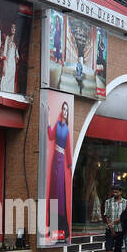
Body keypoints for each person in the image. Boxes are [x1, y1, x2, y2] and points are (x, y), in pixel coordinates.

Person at [46, 100, 72, 240]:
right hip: (55, 160)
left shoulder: (67, 129)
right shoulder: (57, 125)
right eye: (63, 109)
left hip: (61, 162)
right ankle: (52, 227)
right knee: (53, 192)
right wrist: (48, 117)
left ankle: (62, 228)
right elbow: (50, 136)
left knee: (60, 194)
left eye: (67, 109)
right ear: (61, 111)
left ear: (68, 113)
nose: (65, 111)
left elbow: (68, 148)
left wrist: (70, 164)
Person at [102, 183, 127, 252]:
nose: (114, 194)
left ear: (120, 192)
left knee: (118, 250)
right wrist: (111, 228)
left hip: (121, 230)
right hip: (110, 230)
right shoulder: (108, 202)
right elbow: (106, 215)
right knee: (108, 249)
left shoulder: (126, 202)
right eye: (113, 192)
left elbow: (126, 216)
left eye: (116, 192)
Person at [0, 21, 20, 94]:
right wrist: (4, 65)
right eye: (12, 27)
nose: (13, 29)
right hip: (7, 62)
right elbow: (5, 52)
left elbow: (17, 56)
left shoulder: (16, 41)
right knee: (4, 80)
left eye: (15, 28)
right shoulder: (7, 38)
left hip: (13, 65)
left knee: (10, 83)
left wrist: (17, 56)